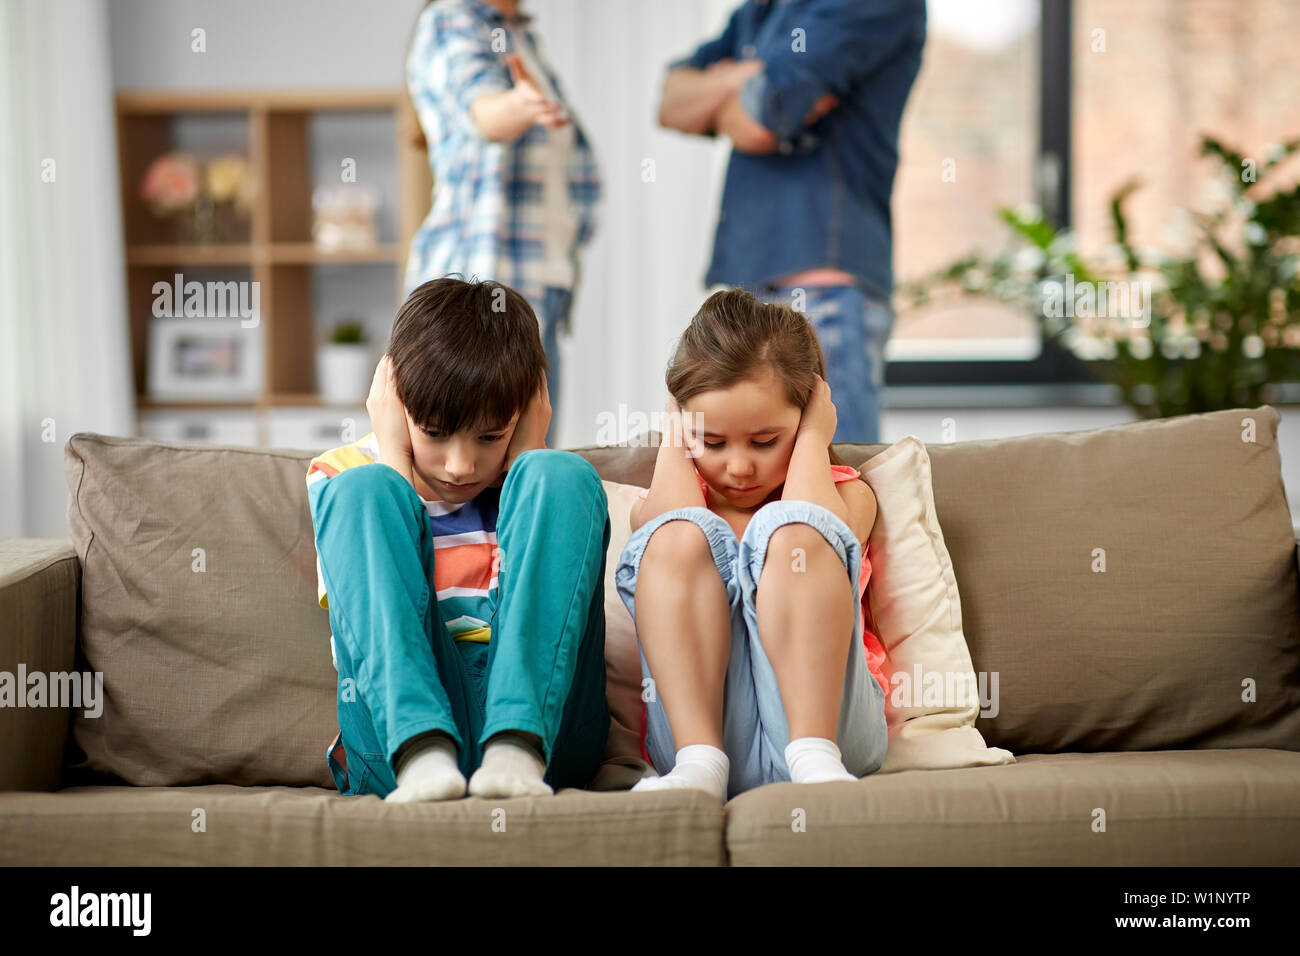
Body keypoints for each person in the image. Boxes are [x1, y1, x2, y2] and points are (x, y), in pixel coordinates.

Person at [306, 277, 610, 801]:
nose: (461, 465)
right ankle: (422, 752)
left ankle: (516, 746)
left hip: (547, 738)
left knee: (561, 475)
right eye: (435, 434)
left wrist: (528, 459)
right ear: (395, 404)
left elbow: (549, 591)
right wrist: (396, 460)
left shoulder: (538, 485)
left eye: (489, 437)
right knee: (366, 491)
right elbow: (376, 617)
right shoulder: (342, 478)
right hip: (392, 737)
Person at [615, 289, 889, 802]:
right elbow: (669, 526)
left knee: (794, 532)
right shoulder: (671, 506)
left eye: (765, 441)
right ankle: (700, 763)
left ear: (809, 411)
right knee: (678, 535)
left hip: (832, 737)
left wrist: (812, 438)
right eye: (711, 442)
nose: (738, 467)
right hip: (703, 743)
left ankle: (813, 753)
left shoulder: (848, 495)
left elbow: (816, 523)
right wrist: (676, 432)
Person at [658, 0, 926, 444]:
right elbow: (670, 101)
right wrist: (744, 78)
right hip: (753, 287)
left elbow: (762, 118)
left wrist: (726, 89)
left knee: (838, 476)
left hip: (825, 288)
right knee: (752, 484)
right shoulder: (760, 10)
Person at [404, 0, 601, 448]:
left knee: (530, 465)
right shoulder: (451, 19)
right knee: (469, 468)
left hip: (540, 289)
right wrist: (518, 104)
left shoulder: (520, 36)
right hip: (476, 297)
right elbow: (485, 113)